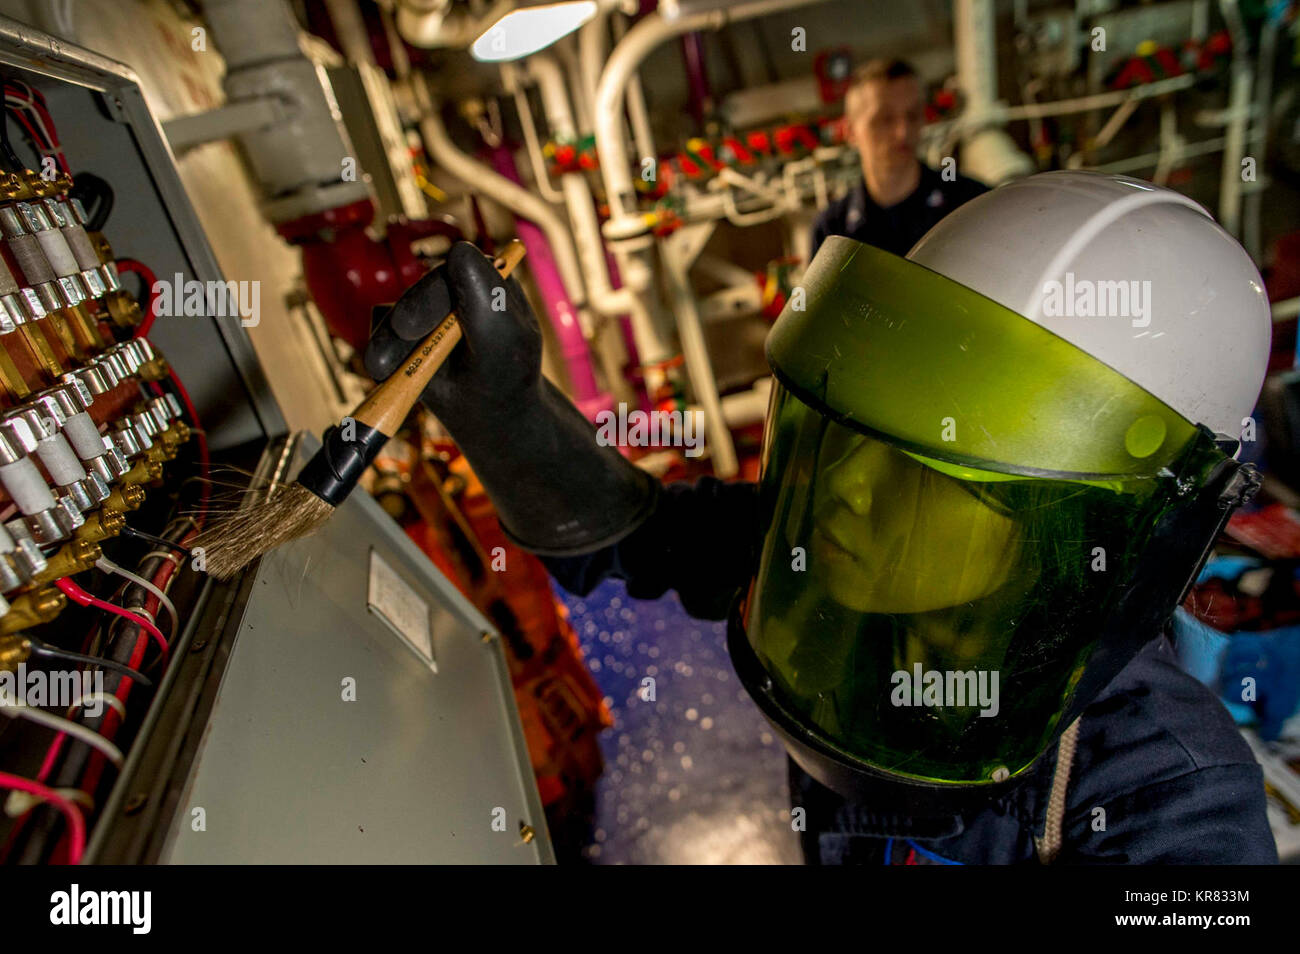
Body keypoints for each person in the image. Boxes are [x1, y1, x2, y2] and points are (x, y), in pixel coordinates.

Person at [366, 171, 1278, 865]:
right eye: (862, 442)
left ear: (1080, 540)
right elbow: (620, 531)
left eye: (928, 470)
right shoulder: (837, 563)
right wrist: (503, 414)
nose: (844, 492)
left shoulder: (1172, 799)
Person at [810, 58, 988, 259]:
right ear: (850, 131)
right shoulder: (833, 230)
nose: (903, 132)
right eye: (885, 119)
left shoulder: (970, 203)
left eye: (912, 115)